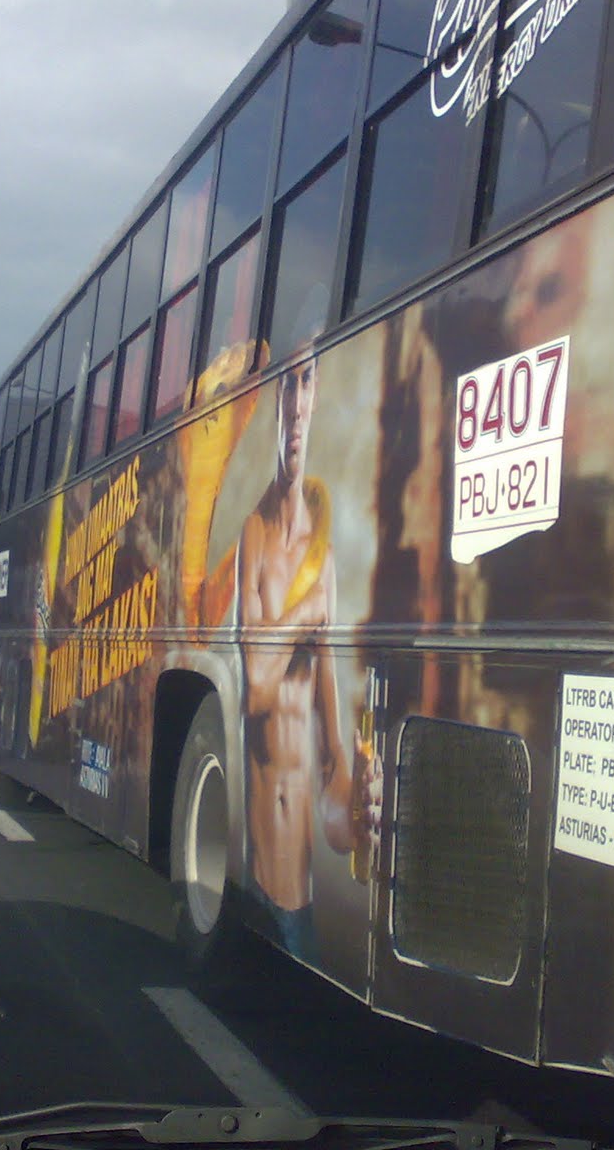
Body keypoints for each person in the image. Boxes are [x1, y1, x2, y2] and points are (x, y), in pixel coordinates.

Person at [237, 354, 381, 963]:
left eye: (306, 382)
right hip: (251, 881)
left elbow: (330, 778)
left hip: (299, 908)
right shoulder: (254, 535)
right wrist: (306, 612)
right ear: (271, 400)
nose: (295, 406)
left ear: (315, 395)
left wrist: (363, 807)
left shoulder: (324, 565)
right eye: (285, 386)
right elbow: (256, 685)